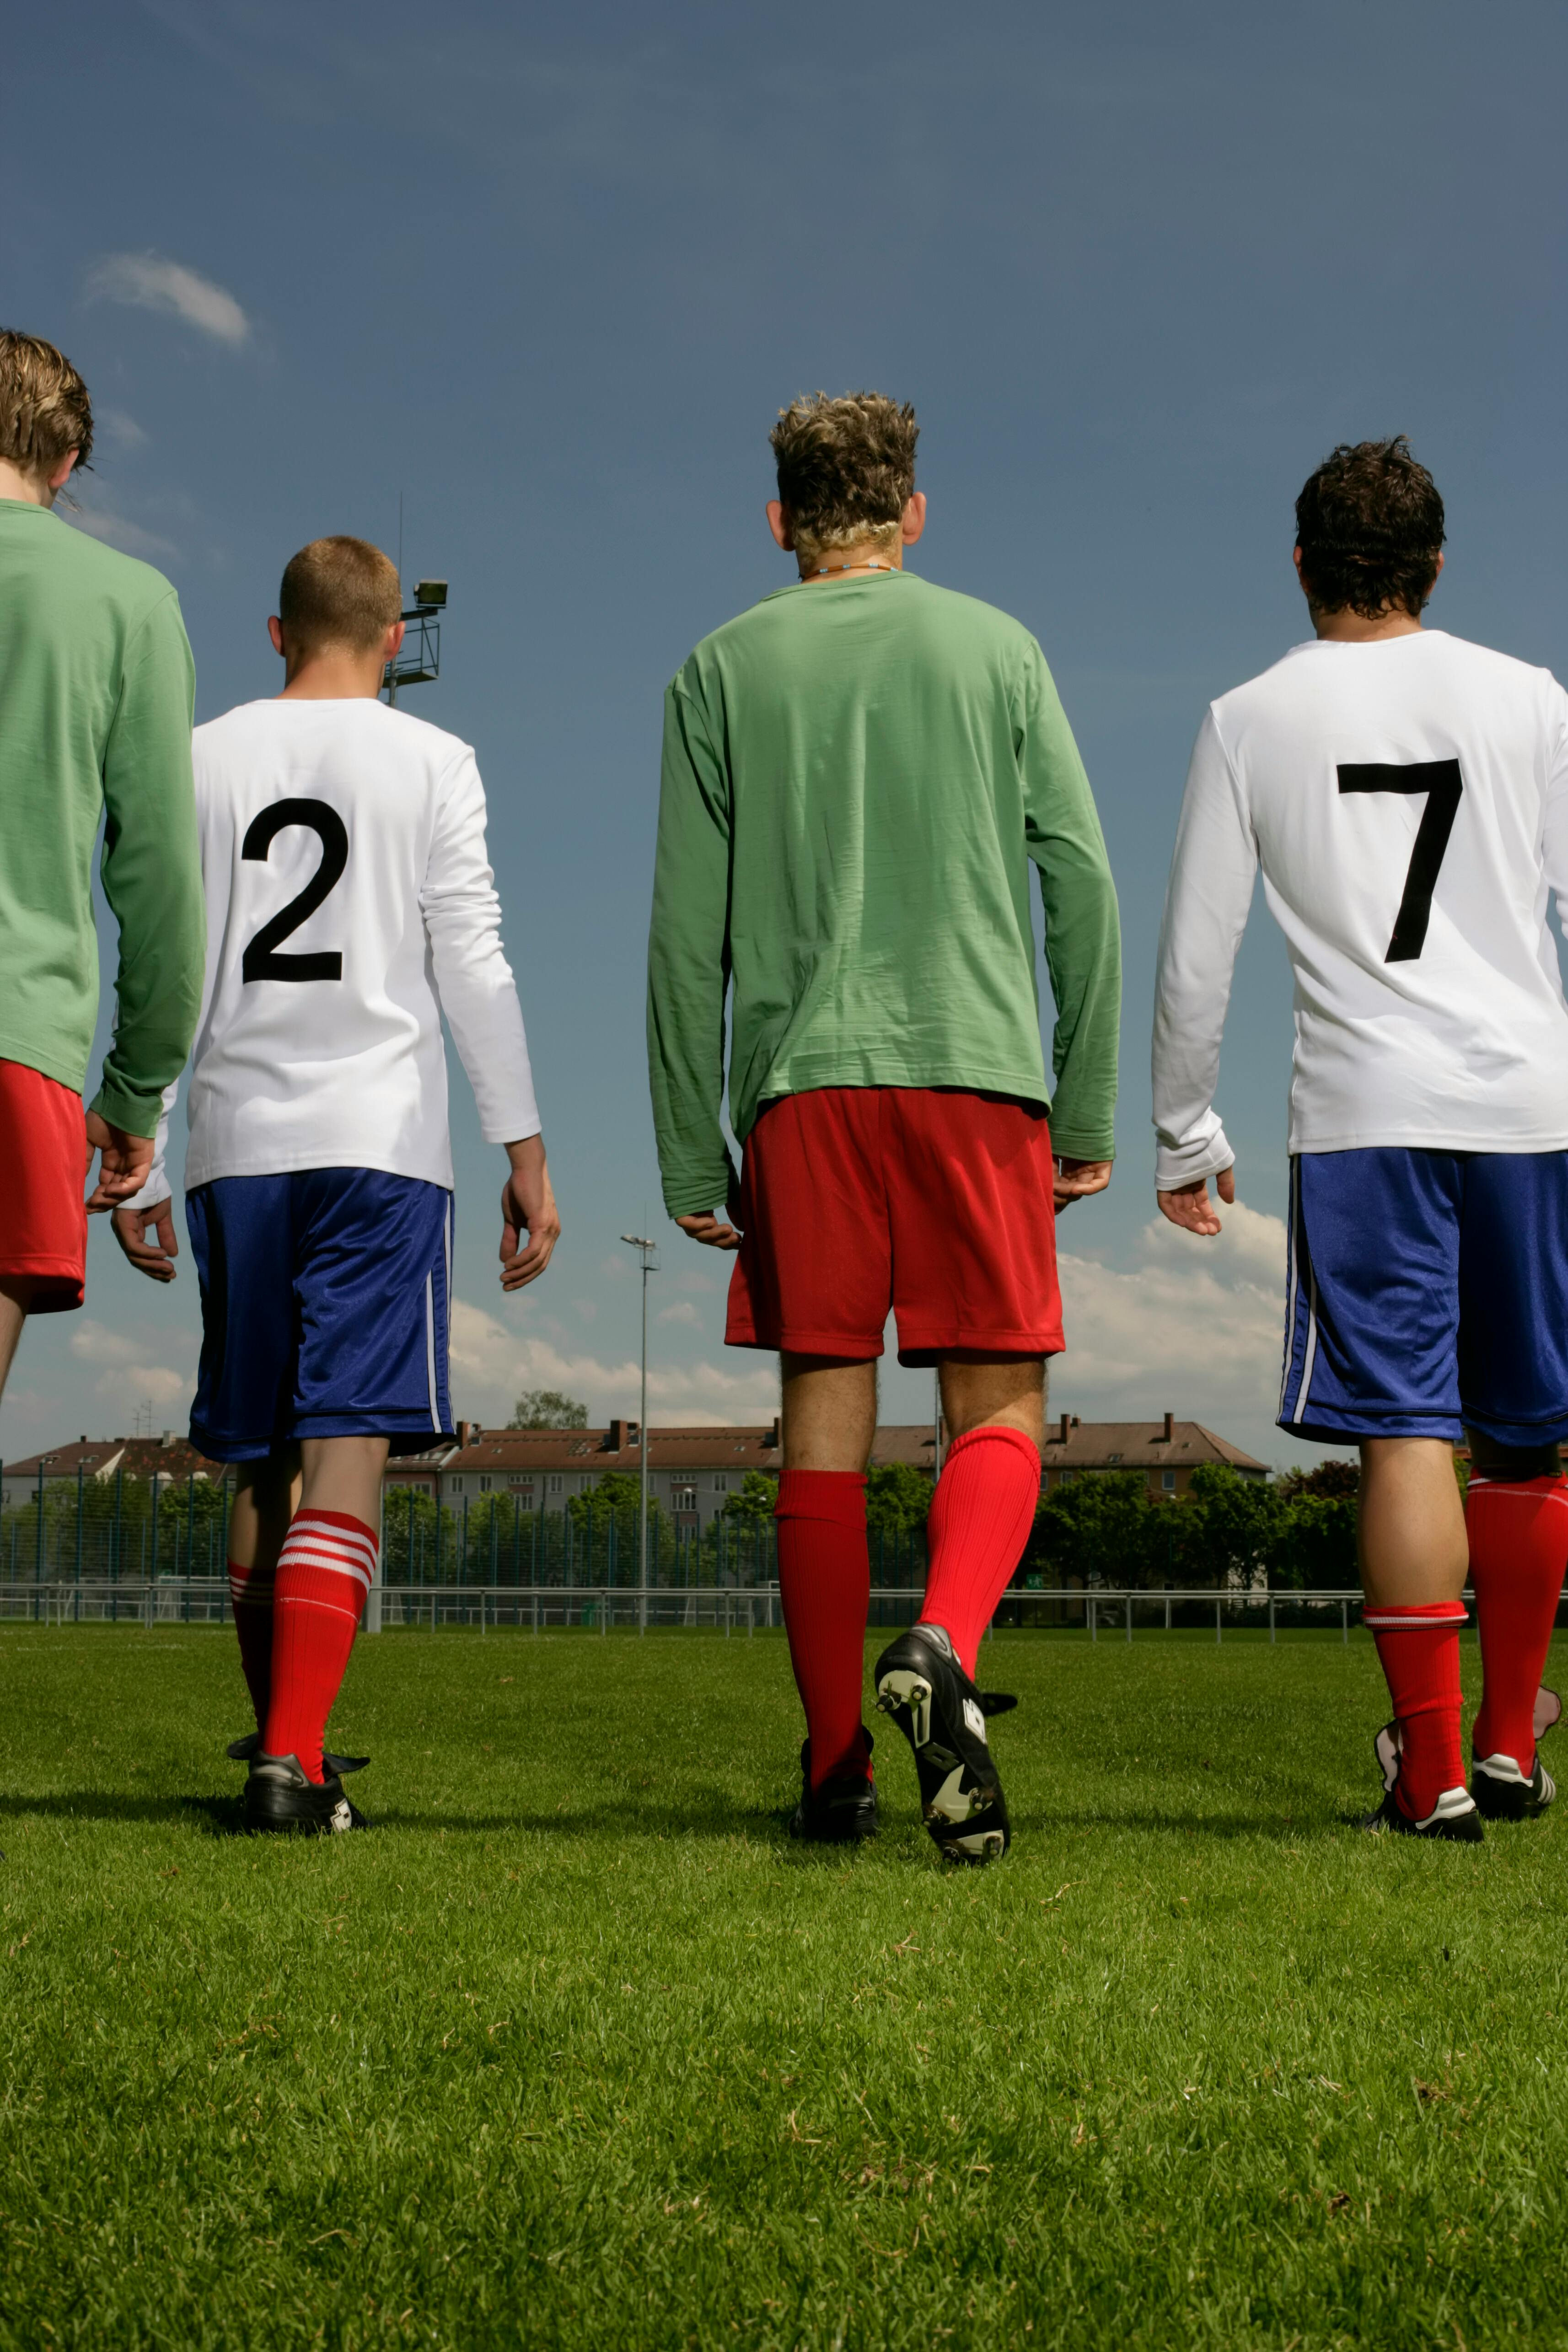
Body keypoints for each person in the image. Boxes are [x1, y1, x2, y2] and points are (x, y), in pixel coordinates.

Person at [646, 392, 1121, 1862]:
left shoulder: (715, 668)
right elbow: (1082, 884)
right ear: (913, 513)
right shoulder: (999, 648)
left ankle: (835, 1768)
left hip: (803, 1087)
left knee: (822, 1435)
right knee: (994, 1406)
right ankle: (941, 1640)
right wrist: (1084, 1096)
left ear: (779, 519)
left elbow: (683, 936)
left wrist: (683, 1139)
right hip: (978, 1071)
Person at [1152, 436, 1568, 1842]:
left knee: (1405, 1428)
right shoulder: (1527, 697)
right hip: (1527, 1105)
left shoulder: (1245, 714)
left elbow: (1193, 951)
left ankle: (1431, 1768)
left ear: (1298, 566)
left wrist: (1179, 1128)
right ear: (1436, 565)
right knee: (1529, 1440)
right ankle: (1510, 1744)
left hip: (1363, 1115)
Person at [113, 536, 559, 1834]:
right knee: (346, 1438)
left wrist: (134, 1121)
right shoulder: (436, 759)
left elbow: (168, 956)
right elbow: (471, 959)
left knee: (257, 1455)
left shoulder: (198, 754)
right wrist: (522, 1143)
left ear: (274, 633)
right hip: (379, 1140)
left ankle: (280, 1743)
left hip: (236, 1140)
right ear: (386, 639)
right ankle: (293, 1762)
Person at [0, 328, 204, 1400]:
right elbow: (161, 877)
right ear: (67, 465)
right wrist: (137, 1089)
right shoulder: (127, 603)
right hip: (13, 1029)